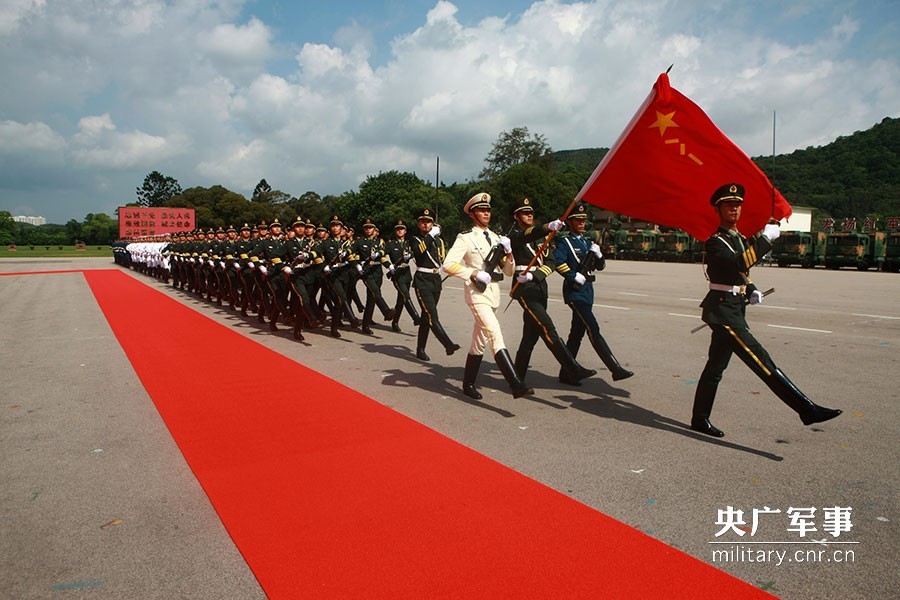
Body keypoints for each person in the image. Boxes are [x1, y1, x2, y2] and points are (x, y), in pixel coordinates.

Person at [691, 183, 842, 437]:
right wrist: (765, 238)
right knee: (760, 359)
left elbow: (740, 272)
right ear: (719, 209)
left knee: (715, 368)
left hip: (733, 308)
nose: (735, 209)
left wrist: (750, 289)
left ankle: (699, 418)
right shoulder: (716, 242)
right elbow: (739, 262)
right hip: (723, 312)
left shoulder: (738, 239)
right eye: (729, 205)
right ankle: (806, 409)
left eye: (737, 205)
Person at [442, 193, 532, 399]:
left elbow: (508, 272)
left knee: (479, 340)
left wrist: (509, 254)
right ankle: (516, 384)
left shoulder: (496, 237)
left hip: (493, 294)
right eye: (482, 210)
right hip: (476, 294)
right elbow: (447, 264)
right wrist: (473, 273)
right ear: (472, 214)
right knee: (494, 333)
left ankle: (468, 383)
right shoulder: (465, 237)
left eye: (488, 209)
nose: (486, 213)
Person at [507, 197, 596, 385]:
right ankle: (573, 368)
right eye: (525, 212)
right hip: (523, 290)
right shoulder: (512, 236)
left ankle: (516, 379)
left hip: (538, 287)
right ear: (516, 216)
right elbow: (526, 236)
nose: (529, 215)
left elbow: (551, 262)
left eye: (531, 212)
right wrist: (547, 227)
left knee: (530, 337)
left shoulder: (540, 238)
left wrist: (536, 275)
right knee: (548, 327)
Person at [553, 202, 633, 384]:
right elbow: (558, 262)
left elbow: (601, 266)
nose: (581, 224)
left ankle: (566, 373)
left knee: (577, 333)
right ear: (570, 222)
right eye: (577, 221)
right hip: (575, 292)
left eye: (583, 221)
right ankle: (615, 368)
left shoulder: (588, 242)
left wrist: (598, 255)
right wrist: (573, 276)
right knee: (593, 327)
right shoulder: (565, 242)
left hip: (588, 291)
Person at [410, 208, 459, 360]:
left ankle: (420, 349)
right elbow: (418, 252)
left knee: (426, 317)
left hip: (435, 280)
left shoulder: (439, 241)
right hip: (422, 280)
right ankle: (448, 344)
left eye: (429, 221)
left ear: (433, 224)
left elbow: (442, 259)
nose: (426, 224)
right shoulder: (415, 239)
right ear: (418, 224)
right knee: (432, 315)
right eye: (423, 221)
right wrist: (431, 235)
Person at [385, 219, 420, 332]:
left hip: (406, 273)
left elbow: (416, 253)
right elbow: (382, 255)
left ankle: (395, 322)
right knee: (405, 296)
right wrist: (389, 265)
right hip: (397, 273)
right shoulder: (391, 244)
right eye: (398, 229)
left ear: (405, 231)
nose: (400, 231)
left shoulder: (409, 243)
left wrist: (410, 255)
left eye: (402, 229)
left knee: (401, 299)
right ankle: (415, 317)